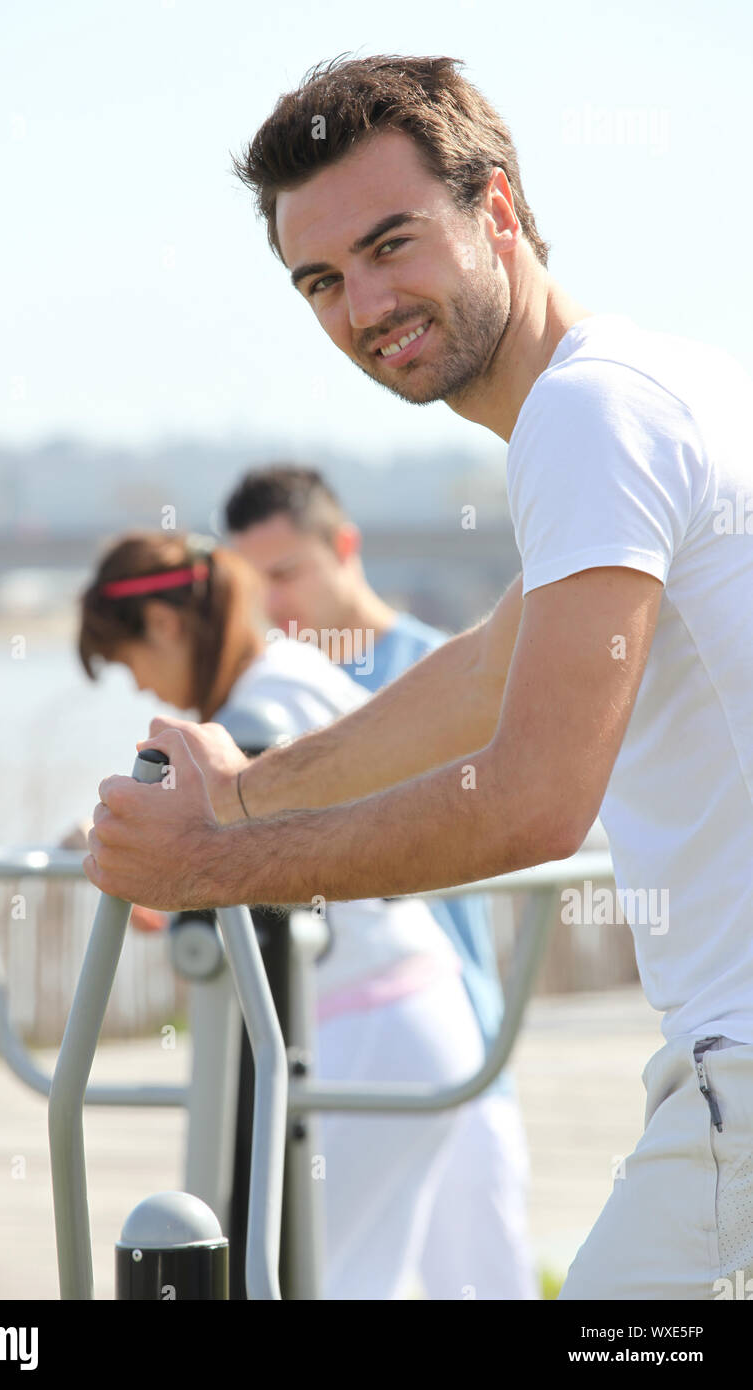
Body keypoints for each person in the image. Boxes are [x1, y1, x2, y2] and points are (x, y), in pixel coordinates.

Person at [84, 55, 753, 1299]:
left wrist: (207, 868)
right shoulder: (662, 384)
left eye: (392, 244)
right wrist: (240, 790)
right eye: (321, 281)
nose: (364, 304)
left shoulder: (585, 417)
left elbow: (529, 800)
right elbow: (480, 671)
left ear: (496, 211)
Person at [77, 528, 486, 1299]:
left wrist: (129, 854)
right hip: (409, 1007)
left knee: (310, 1282)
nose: (137, 687)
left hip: (366, 1022)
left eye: (127, 661)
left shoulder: (258, 711)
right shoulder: (293, 672)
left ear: (164, 626)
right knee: (360, 1277)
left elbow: (233, 836)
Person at [223, 462, 536, 1299]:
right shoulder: (265, 694)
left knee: (485, 1284)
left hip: (461, 1025)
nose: (276, 601)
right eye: (256, 584)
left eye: (288, 572)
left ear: (344, 547)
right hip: (335, 1046)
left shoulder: (448, 673)